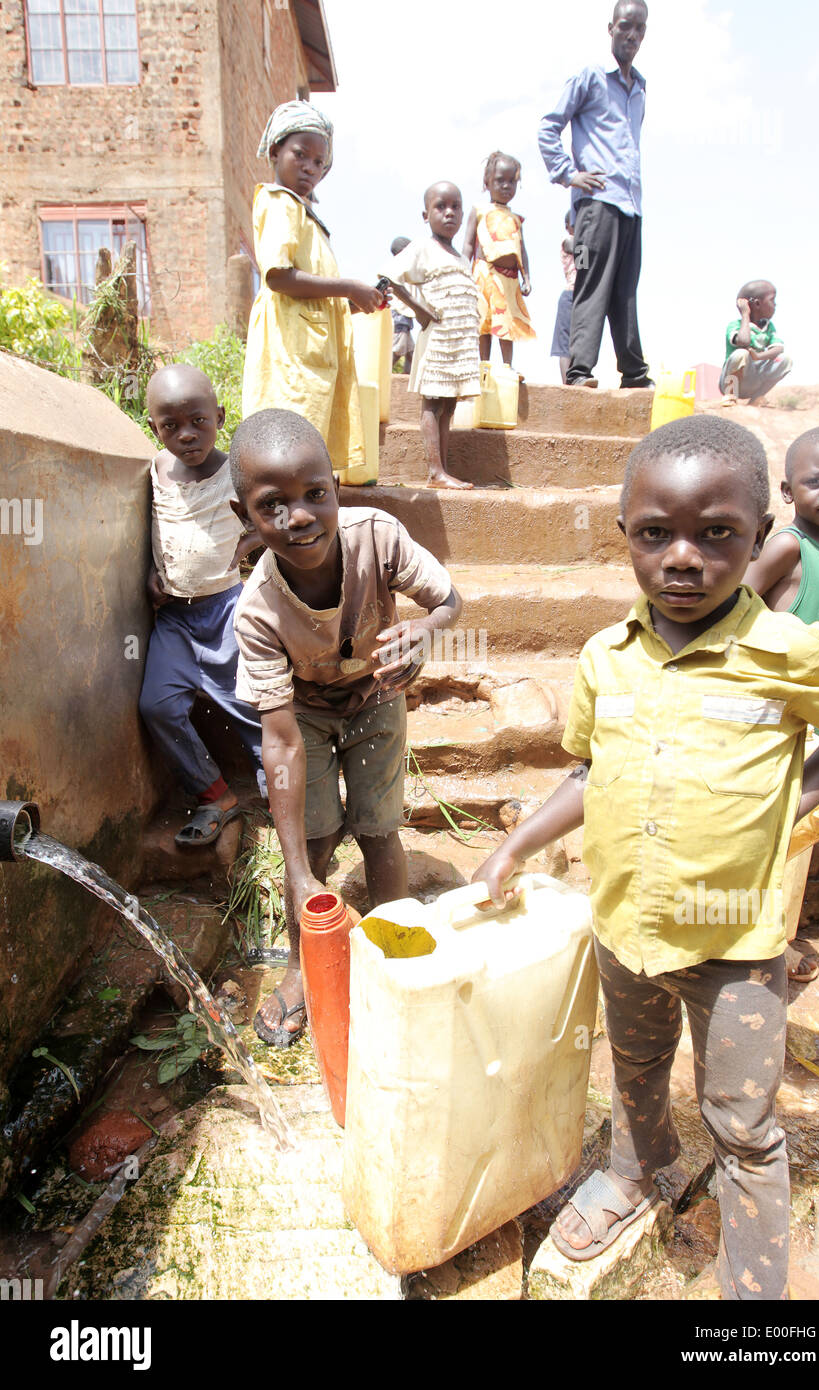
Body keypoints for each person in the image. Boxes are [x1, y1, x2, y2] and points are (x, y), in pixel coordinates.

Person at [473, 414, 819, 1300]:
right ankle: (638, 1166)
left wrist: (799, 801)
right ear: (626, 538)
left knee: (744, 1122)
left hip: (734, 944)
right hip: (625, 923)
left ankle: (753, 1305)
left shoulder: (790, 654)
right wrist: (515, 843)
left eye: (716, 534)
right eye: (657, 535)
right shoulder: (605, 659)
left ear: (761, 536)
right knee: (636, 1065)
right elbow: (588, 769)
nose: (682, 558)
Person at [229, 408, 463, 1045]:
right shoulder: (258, 611)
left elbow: (448, 602)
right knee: (313, 850)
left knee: (380, 830)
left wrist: (423, 634)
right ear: (242, 515)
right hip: (302, 713)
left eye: (315, 494)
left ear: (337, 486)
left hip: (376, 700)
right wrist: (296, 870)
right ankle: (305, 968)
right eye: (271, 505)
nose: (299, 517)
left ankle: (393, 951)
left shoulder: (378, 536)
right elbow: (277, 738)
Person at [744, 424, 819, 981]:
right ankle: (771, 940)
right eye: (815, 481)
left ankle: (779, 929)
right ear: (788, 492)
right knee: (783, 836)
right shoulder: (790, 547)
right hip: (787, 721)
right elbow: (735, 606)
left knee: (795, 838)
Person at [139, 364, 266, 846]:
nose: (186, 435)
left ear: (220, 415)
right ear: (155, 428)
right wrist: (155, 569)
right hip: (173, 616)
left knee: (251, 704)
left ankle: (280, 789)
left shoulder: (237, 469)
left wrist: (250, 544)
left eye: (198, 421)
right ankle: (215, 793)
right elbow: (157, 528)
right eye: (171, 426)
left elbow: (272, 511)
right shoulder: (155, 469)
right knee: (157, 705)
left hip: (227, 608)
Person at [241, 100, 386, 474]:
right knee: (288, 441)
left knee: (303, 443)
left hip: (310, 350)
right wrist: (348, 287)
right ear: (275, 151)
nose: (309, 167)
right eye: (300, 155)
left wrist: (355, 300)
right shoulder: (279, 202)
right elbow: (278, 276)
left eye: (319, 163)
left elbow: (313, 292)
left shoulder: (306, 215)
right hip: (292, 353)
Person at [538, 1, 652, 389]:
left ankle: (634, 373)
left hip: (631, 205)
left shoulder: (640, 87)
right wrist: (568, 174)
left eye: (639, 29)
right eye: (625, 27)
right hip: (595, 208)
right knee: (590, 283)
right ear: (611, 29)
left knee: (626, 289)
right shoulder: (590, 77)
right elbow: (549, 127)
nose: (632, 35)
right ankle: (580, 370)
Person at [384, 182, 480, 490]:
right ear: (426, 214)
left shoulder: (460, 258)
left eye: (456, 206)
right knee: (433, 403)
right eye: (441, 206)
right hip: (437, 341)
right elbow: (389, 278)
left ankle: (443, 469)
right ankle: (434, 471)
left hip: (457, 344)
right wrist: (419, 311)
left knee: (449, 405)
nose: (449, 212)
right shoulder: (423, 248)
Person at [462, 151, 534, 367]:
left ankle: (506, 366)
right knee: (484, 321)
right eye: (499, 181)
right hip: (484, 274)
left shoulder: (516, 218)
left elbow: (522, 249)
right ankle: (484, 364)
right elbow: (467, 243)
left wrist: (527, 277)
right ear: (487, 182)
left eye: (511, 182)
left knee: (506, 322)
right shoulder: (480, 210)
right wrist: (463, 269)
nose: (506, 186)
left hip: (508, 280)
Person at [719, 281, 792, 405]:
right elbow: (743, 341)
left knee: (785, 359)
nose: (775, 305)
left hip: (753, 380)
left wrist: (759, 356)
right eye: (772, 301)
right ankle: (730, 395)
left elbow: (779, 348)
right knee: (741, 354)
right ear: (757, 303)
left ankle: (757, 398)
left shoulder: (768, 327)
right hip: (733, 382)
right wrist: (745, 315)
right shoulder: (735, 326)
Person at [551, 212, 576, 383]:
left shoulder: (583, 248)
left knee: (579, 343)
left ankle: (576, 378)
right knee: (564, 346)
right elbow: (576, 245)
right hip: (570, 295)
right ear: (567, 226)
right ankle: (566, 384)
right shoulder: (568, 241)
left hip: (582, 297)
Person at [389, 236, 416, 374]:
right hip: (400, 314)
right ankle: (383, 375)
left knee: (412, 353)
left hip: (403, 314)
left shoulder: (399, 268)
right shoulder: (400, 268)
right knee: (398, 350)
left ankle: (407, 384)